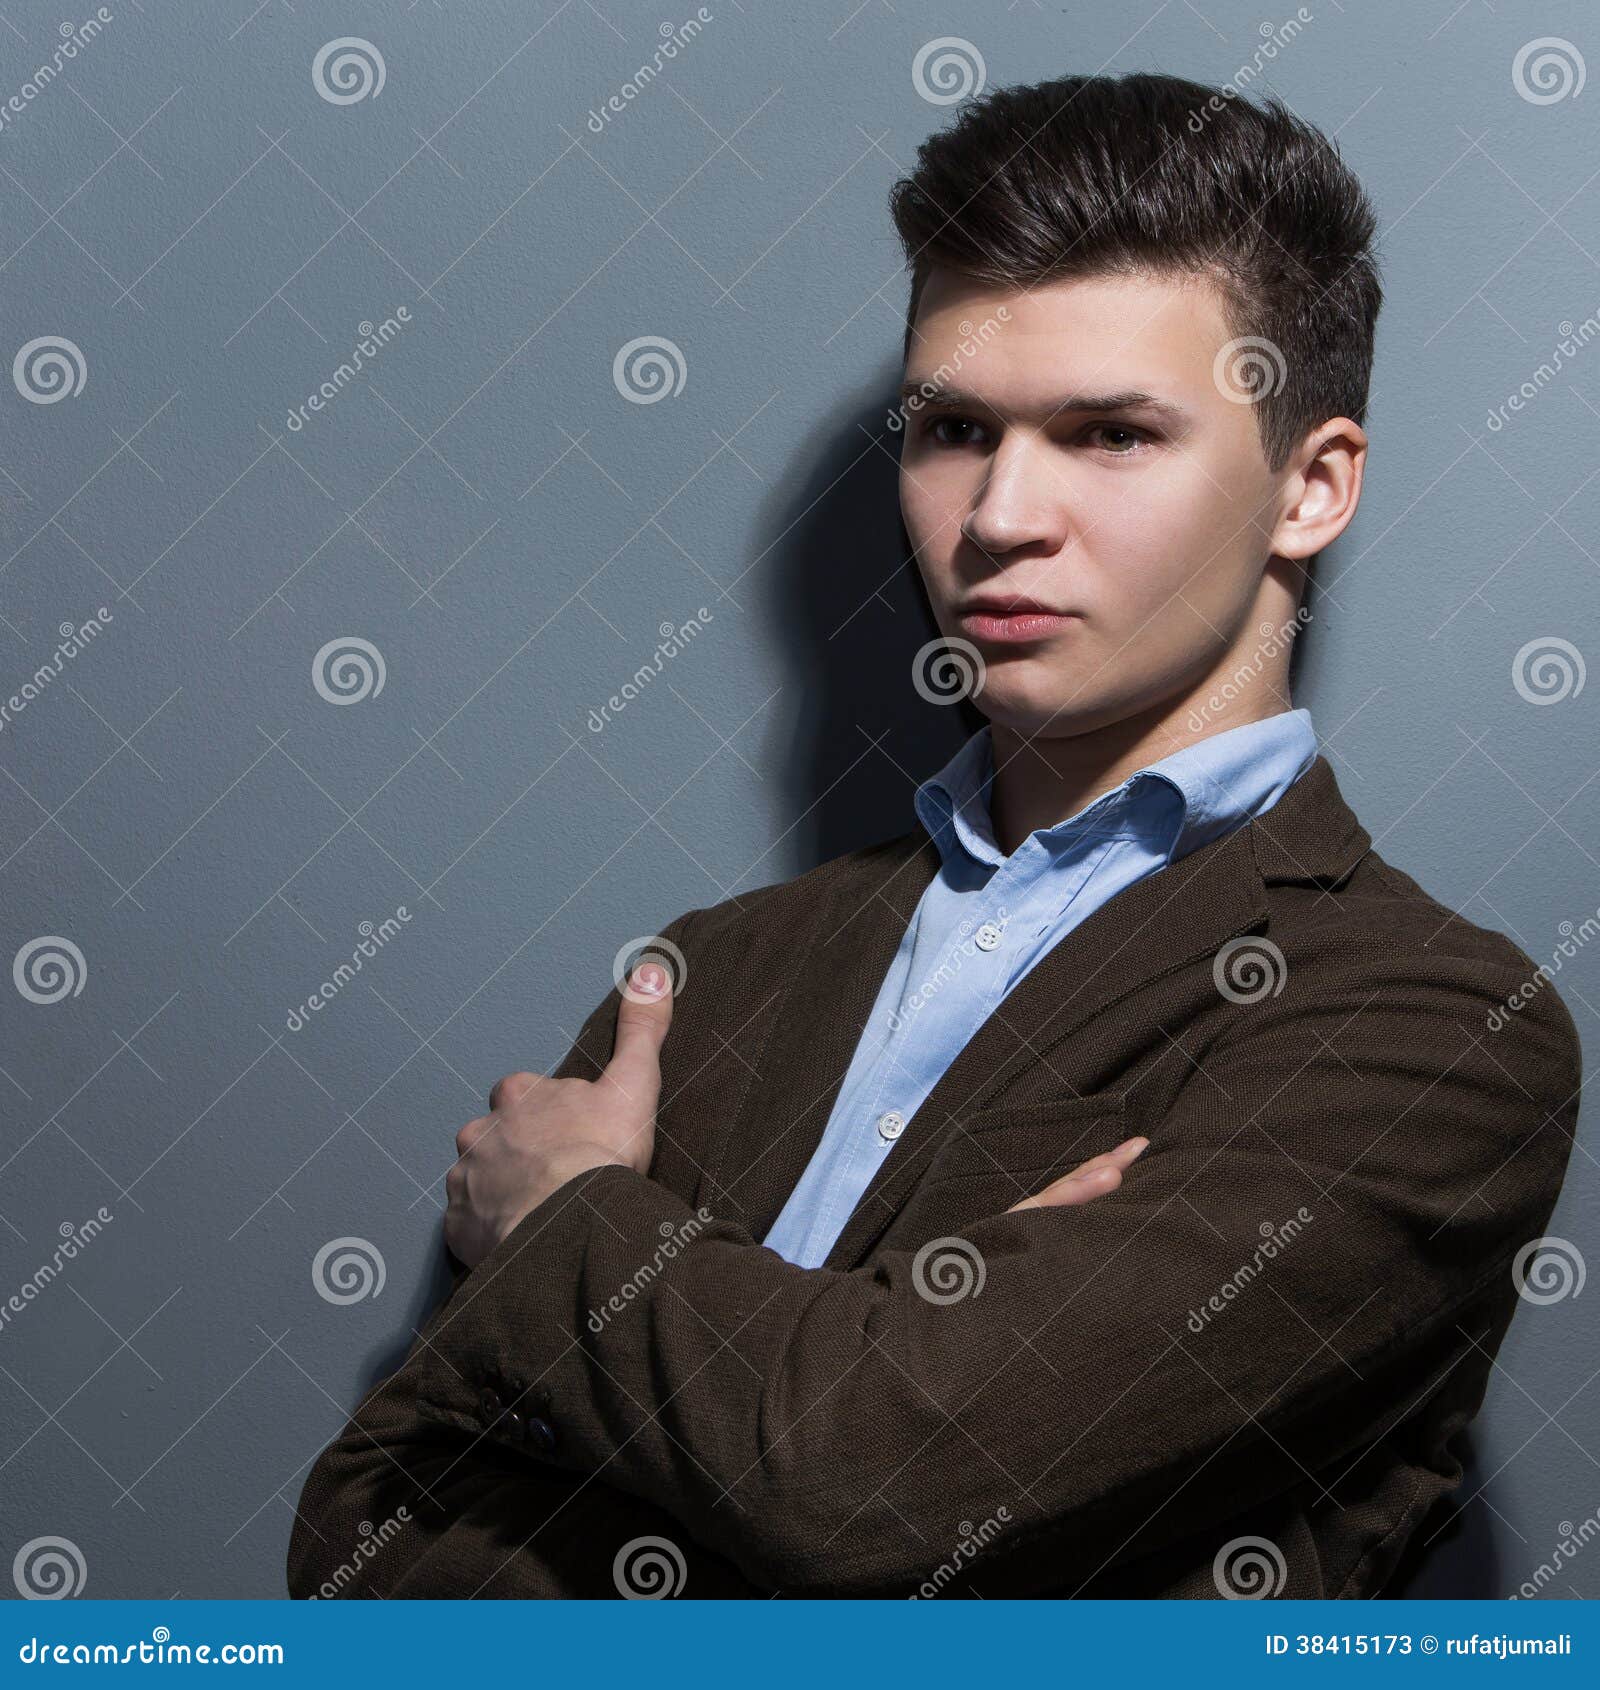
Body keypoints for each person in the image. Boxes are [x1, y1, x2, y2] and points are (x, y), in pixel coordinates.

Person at [287, 70, 1580, 1600]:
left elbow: (868, 1482)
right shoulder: (707, 979)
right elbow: (369, 1531)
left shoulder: (1431, 1024)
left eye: (1110, 432)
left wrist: (574, 1217)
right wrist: (845, 1372)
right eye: (956, 426)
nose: (1001, 513)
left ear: (1311, 486)